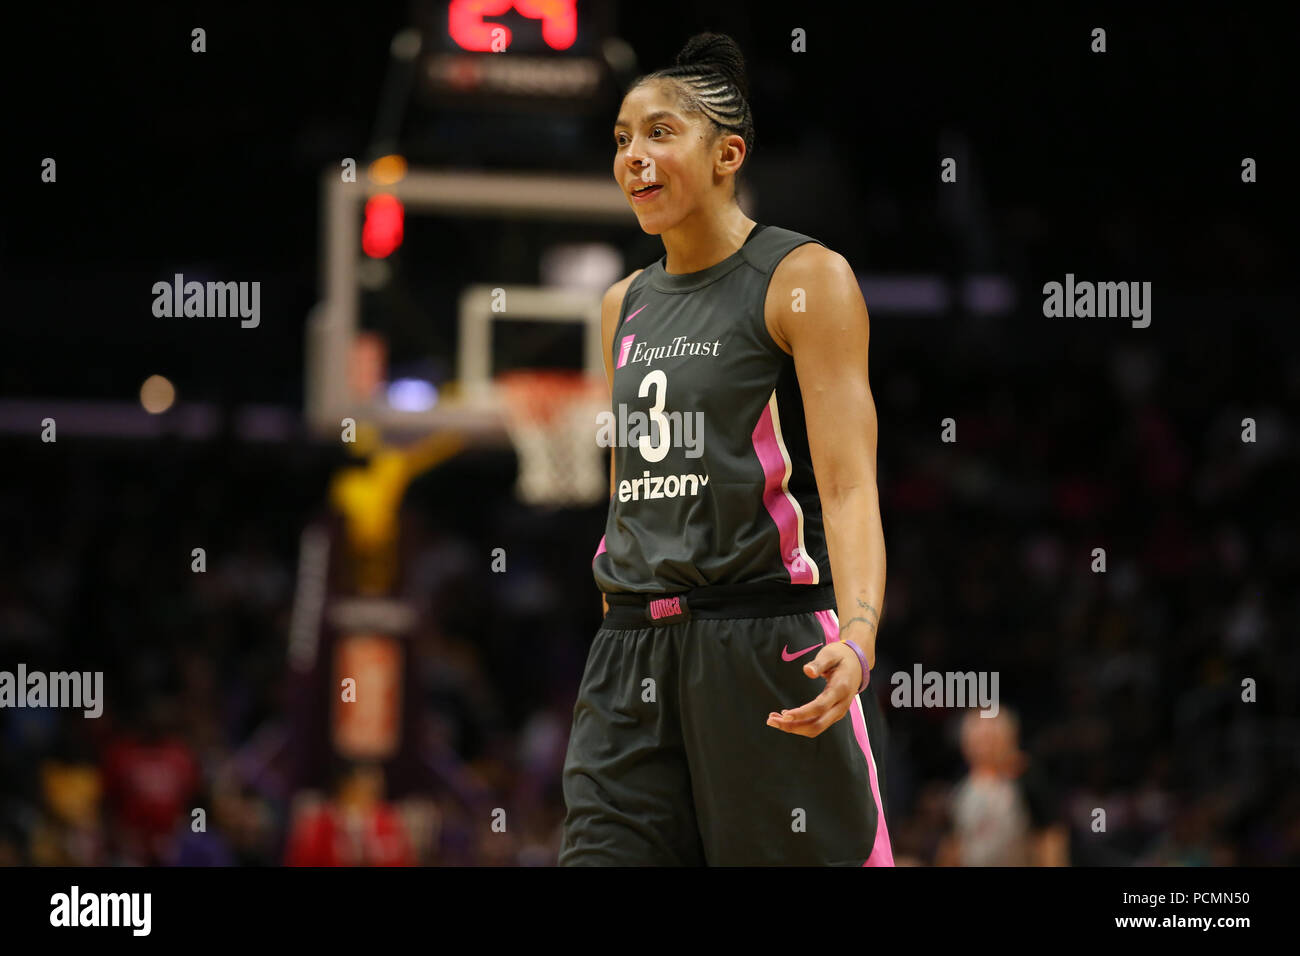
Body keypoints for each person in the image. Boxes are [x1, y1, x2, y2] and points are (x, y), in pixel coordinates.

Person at [560, 33, 892, 866]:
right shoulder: (620, 305)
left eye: (660, 132)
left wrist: (857, 637)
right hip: (633, 653)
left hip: (764, 640)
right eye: (622, 139)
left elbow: (850, 488)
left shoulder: (804, 277)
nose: (634, 155)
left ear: (727, 155)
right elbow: (624, 492)